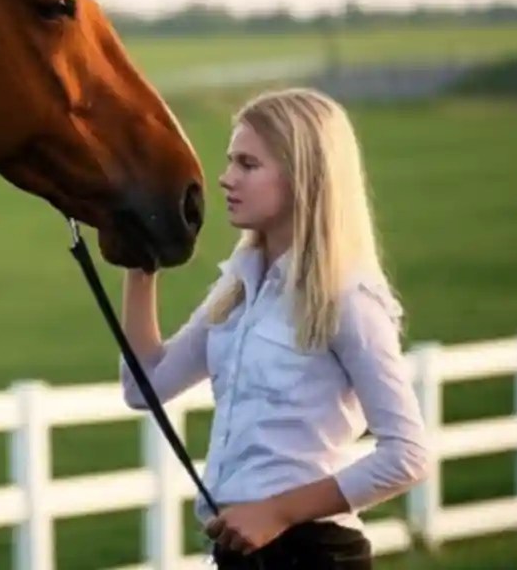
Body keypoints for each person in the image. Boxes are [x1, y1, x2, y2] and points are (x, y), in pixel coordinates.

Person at [118, 87, 431, 569]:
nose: (225, 179)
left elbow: (407, 455)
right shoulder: (239, 288)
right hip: (241, 553)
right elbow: (147, 387)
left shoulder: (347, 297)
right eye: (230, 161)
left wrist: (277, 512)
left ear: (304, 175)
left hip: (313, 554)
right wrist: (140, 266)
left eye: (248, 164)